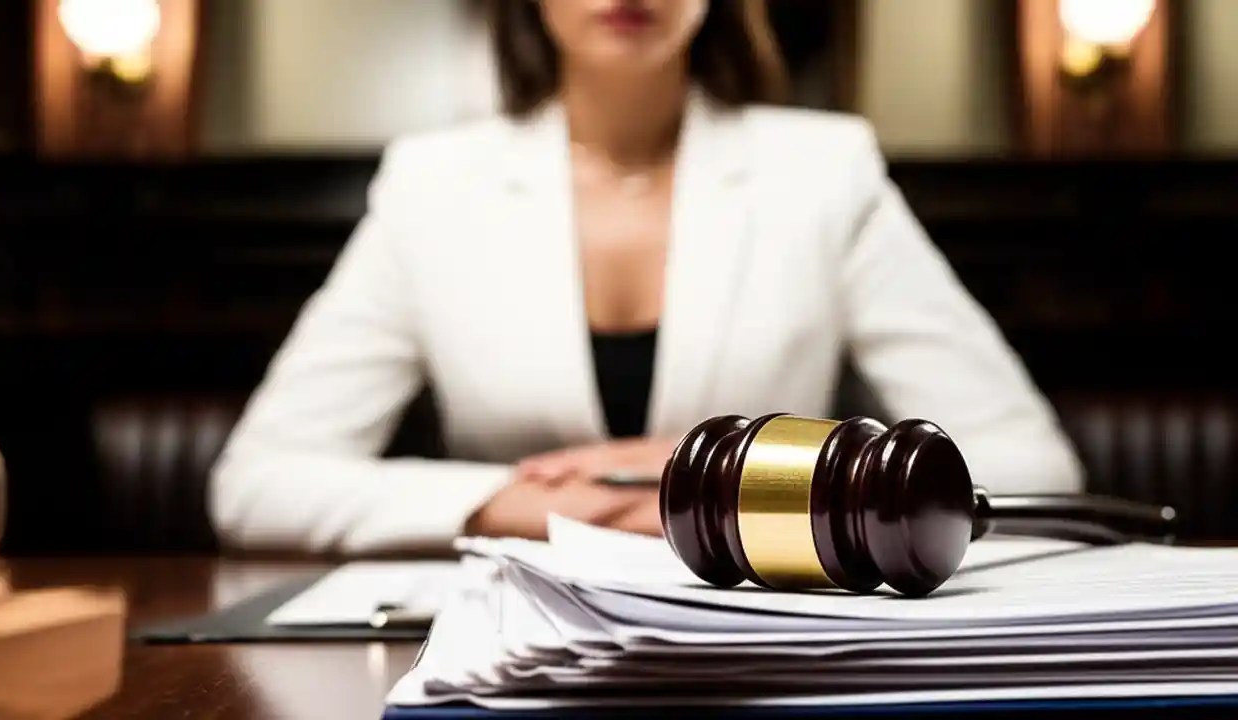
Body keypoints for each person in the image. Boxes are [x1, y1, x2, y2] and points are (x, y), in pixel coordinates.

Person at [208, 0, 1084, 554]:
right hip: (510, 647)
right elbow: (257, 483)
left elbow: (1031, 462)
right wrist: (507, 500)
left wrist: (722, 477)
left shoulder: (824, 170)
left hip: (768, 641)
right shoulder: (432, 187)